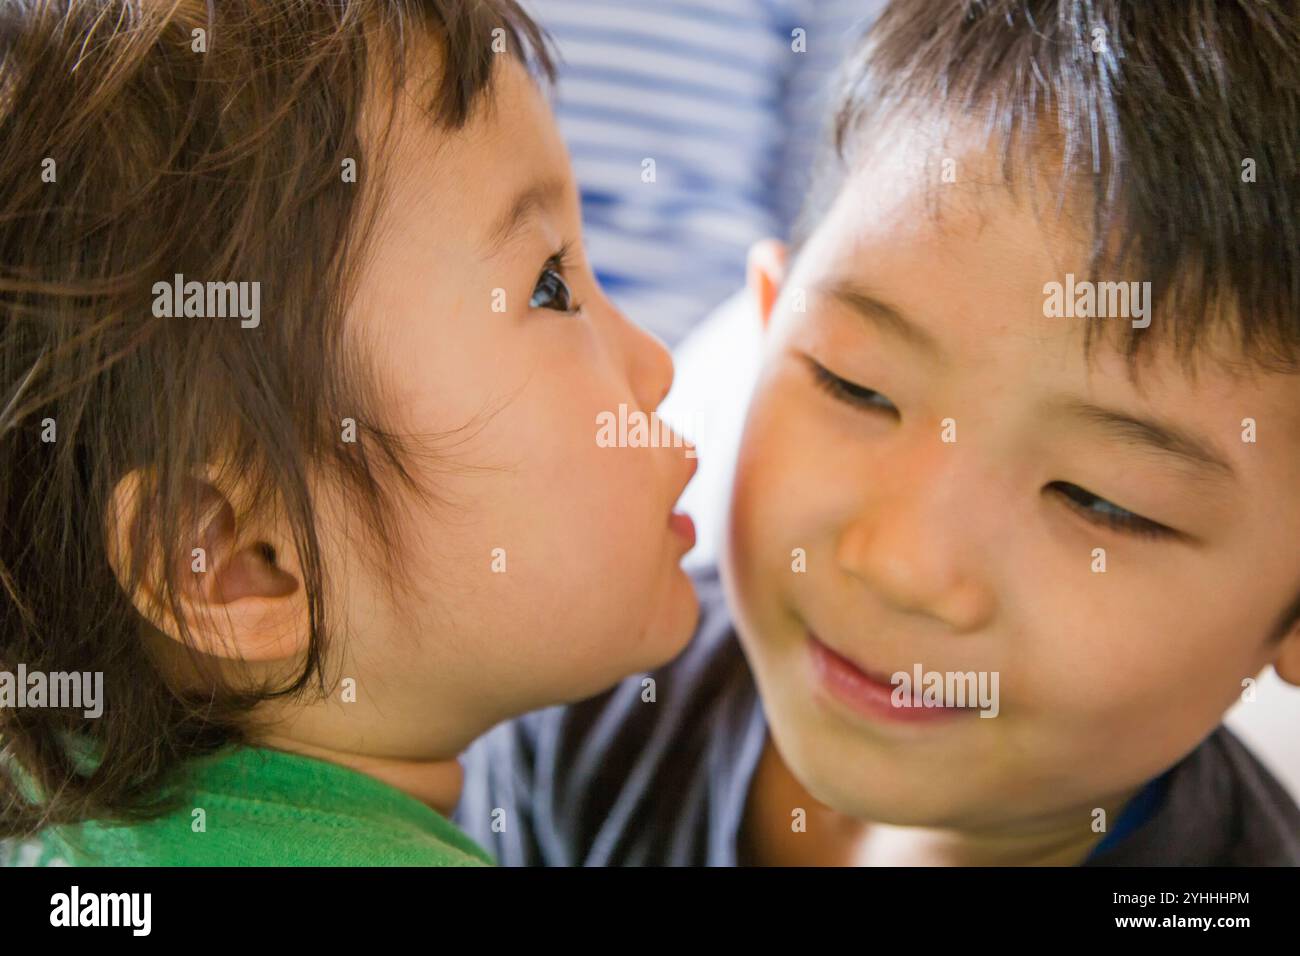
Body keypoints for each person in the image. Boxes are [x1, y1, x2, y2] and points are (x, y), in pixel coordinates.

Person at [458, 0, 1300, 866]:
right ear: (766, 332)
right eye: (854, 386)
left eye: (1099, 500)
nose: (903, 566)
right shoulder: (588, 705)